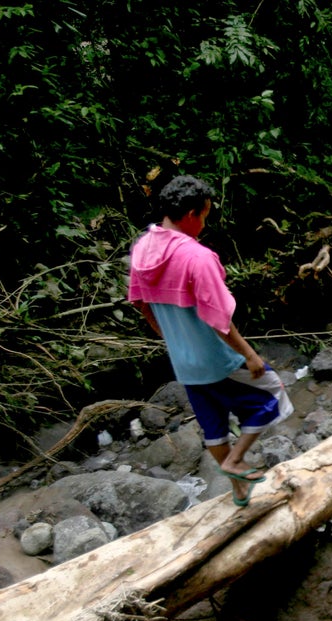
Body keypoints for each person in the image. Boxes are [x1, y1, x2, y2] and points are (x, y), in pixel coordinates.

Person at [129, 175, 292, 508]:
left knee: (213, 426)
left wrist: (168, 336)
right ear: (192, 214)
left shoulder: (142, 249)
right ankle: (236, 461)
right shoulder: (197, 257)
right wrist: (250, 354)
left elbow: (140, 303)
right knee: (274, 392)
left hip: (184, 362)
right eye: (204, 215)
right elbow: (218, 318)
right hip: (217, 358)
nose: (204, 223)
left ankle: (240, 490)